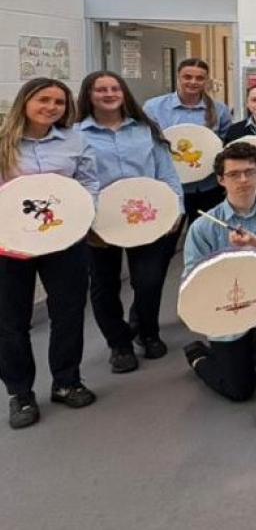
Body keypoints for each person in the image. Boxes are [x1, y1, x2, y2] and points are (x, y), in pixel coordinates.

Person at [180, 142, 256, 426]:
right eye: (234, 174)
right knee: (239, 391)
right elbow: (191, 276)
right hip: (226, 307)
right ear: (221, 179)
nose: (243, 180)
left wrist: (255, 243)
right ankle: (199, 356)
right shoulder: (203, 226)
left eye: (250, 172)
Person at [0, 79, 99, 430]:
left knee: (69, 312)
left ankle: (67, 381)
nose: (52, 107)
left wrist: (84, 213)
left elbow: (88, 181)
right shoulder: (3, 140)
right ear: (25, 101)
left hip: (64, 241)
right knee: (11, 321)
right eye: (44, 99)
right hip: (11, 246)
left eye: (59, 101)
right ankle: (20, 392)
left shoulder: (75, 139)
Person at [77, 71, 184, 374]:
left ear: (124, 93)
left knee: (149, 280)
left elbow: (166, 172)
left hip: (148, 217)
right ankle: (119, 343)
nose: (109, 94)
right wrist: (82, 222)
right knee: (104, 285)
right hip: (100, 222)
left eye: (115, 88)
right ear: (89, 95)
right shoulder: (76, 134)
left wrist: (175, 208)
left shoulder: (145, 129)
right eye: (101, 90)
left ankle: (148, 331)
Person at [143, 58, 232, 223]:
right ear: (178, 77)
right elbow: (144, 145)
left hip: (208, 188)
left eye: (199, 78)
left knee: (206, 240)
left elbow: (225, 146)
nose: (193, 82)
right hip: (167, 187)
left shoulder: (220, 110)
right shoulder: (153, 107)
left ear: (206, 80)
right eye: (187, 76)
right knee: (165, 243)